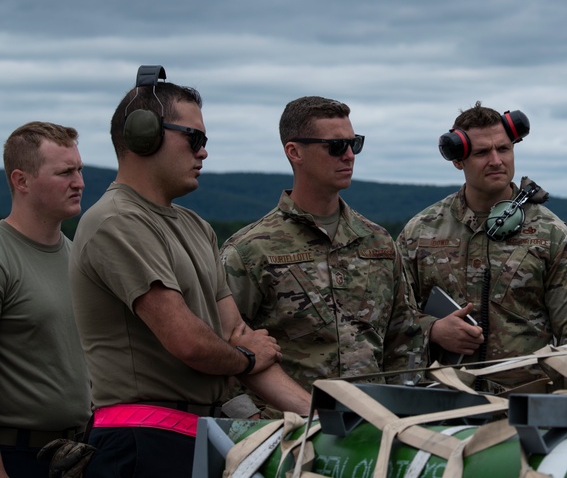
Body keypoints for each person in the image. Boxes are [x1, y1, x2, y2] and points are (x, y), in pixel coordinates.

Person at [70, 67, 311, 478]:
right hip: (142, 444)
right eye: (194, 138)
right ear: (143, 135)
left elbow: (233, 334)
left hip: (200, 437)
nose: (203, 152)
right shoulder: (116, 222)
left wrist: (325, 419)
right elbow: (190, 342)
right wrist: (248, 358)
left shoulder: (195, 227)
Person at [221, 96, 480, 393]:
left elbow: (402, 338)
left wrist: (402, 410)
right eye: (335, 146)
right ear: (294, 152)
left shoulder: (378, 243)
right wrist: (248, 420)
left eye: (353, 144)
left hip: (371, 423)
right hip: (290, 426)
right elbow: (227, 349)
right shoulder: (250, 251)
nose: (349, 155)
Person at [397, 102, 567, 390]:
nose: (496, 160)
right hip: (441, 405)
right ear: (459, 160)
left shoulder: (550, 234)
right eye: (482, 153)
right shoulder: (420, 232)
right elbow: (391, 317)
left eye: (504, 149)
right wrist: (433, 329)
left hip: (524, 406)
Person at [0, 122, 90, 478]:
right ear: (21, 181)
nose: (80, 182)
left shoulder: (78, 258)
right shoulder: (4, 255)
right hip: (16, 455)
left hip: (76, 455)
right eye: (65, 172)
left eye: (80, 169)